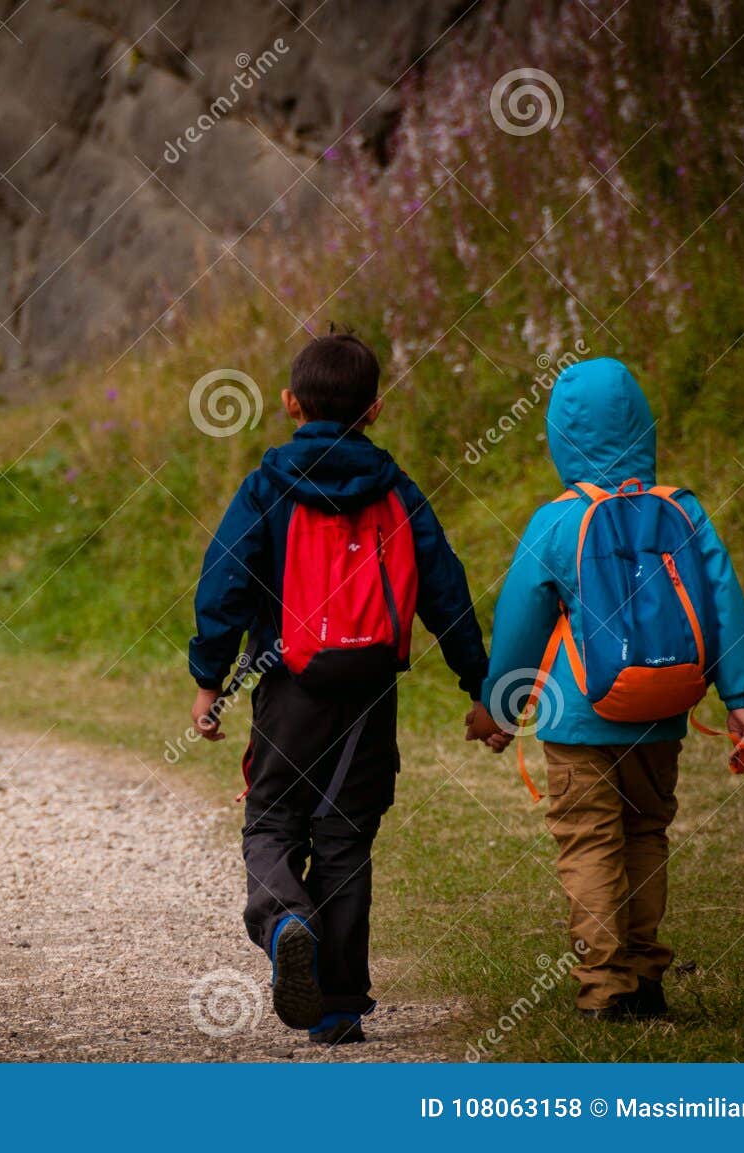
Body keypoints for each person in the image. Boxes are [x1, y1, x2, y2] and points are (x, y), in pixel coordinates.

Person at [189, 333, 496, 1044]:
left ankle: (285, 918)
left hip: (290, 684)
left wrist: (209, 680)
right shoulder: (395, 486)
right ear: (377, 410)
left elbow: (225, 581)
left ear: (292, 403)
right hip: (371, 691)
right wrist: (481, 686)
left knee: (271, 823)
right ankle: (336, 1006)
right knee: (345, 839)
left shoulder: (269, 484)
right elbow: (445, 589)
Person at [474, 357, 744, 1019]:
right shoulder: (682, 510)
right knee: (645, 833)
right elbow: (724, 603)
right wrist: (740, 696)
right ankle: (645, 970)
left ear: (559, 439)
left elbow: (519, 619)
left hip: (578, 723)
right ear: (643, 427)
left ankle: (607, 986)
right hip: (662, 714)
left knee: (589, 840)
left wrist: (498, 707)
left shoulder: (558, 521)